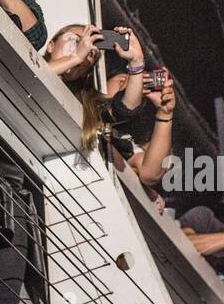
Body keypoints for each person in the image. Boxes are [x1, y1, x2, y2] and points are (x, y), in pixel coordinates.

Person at [44, 24, 175, 185]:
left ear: (88, 71)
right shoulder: (25, 53)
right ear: (51, 45)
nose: (82, 51)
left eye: (90, 53)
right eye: (76, 41)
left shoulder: (90, 110)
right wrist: (75, 58)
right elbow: (32, 73)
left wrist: (136, 63)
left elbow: (124, 109)